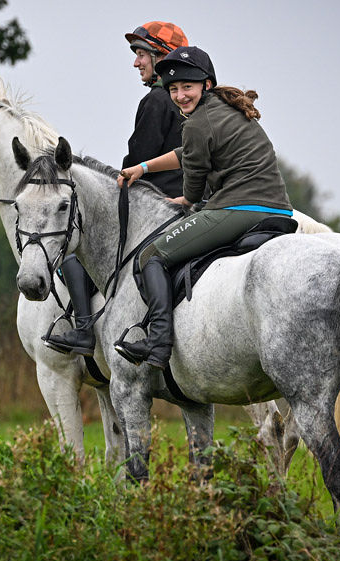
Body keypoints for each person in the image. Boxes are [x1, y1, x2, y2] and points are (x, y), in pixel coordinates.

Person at [114, 46, 294, 369]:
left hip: (240, 209)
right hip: (278, 209)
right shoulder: (225, 109)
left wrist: (186, 200)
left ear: (205, 85)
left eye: (187, 87)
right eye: (173, 89)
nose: (180, 95)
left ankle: (158, 343)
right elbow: (188, 152)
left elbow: (193, 190)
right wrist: (143, 167)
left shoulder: (198, 123)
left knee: (149, 256)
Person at [43, 21, 189, 357]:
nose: (136, 62)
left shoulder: (155, 101)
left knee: (73, 247)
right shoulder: (188, 103)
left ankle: (82, 330)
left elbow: (138, 161)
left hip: (153, 204)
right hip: (187, 200)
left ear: (162, 57)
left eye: (141, 54)